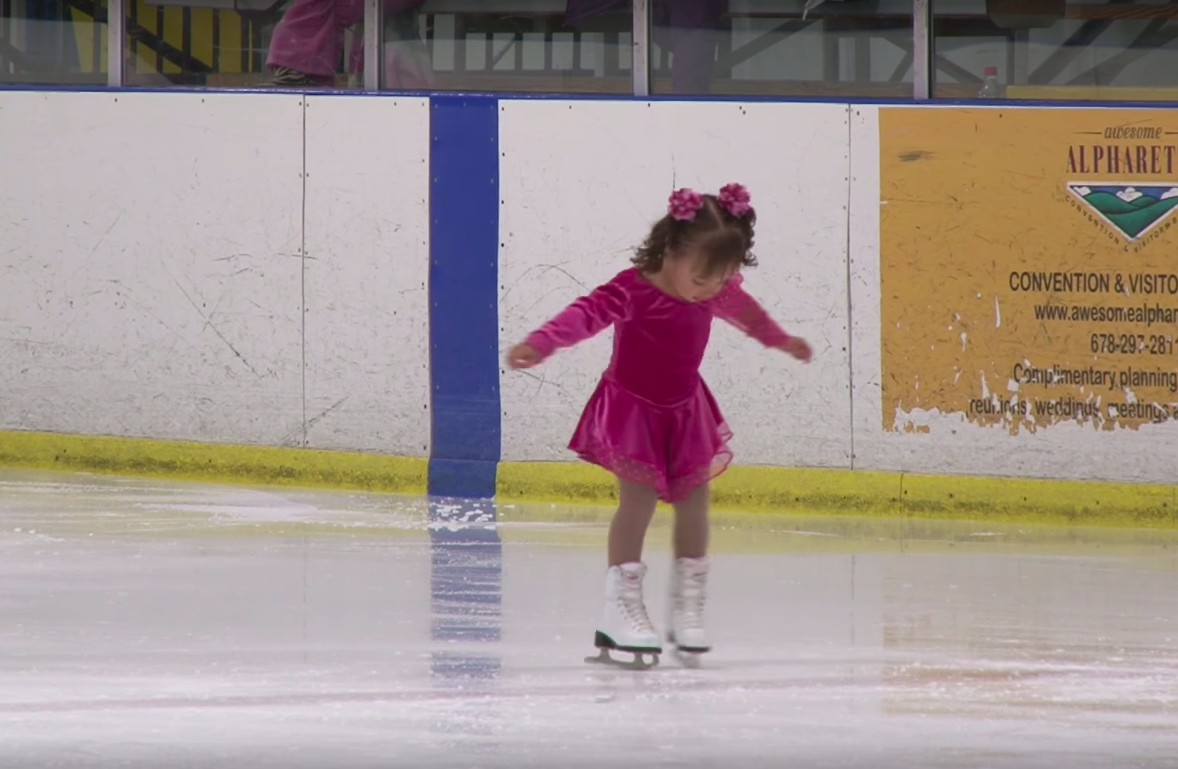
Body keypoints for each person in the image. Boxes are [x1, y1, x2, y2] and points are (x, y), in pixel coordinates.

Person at [505, 184, 812, 665]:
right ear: (671, 251)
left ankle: (689, 606)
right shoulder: (632, 289)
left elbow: (748, 314)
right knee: (638, 503)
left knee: (695, 506)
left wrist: (781, 340)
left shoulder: (715, 290)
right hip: (634, 410)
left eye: (722, 279)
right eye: (703, 278)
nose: (712, 290)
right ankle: (619, 607)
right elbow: (583, 314)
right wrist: (541, 343)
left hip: (686, 410)